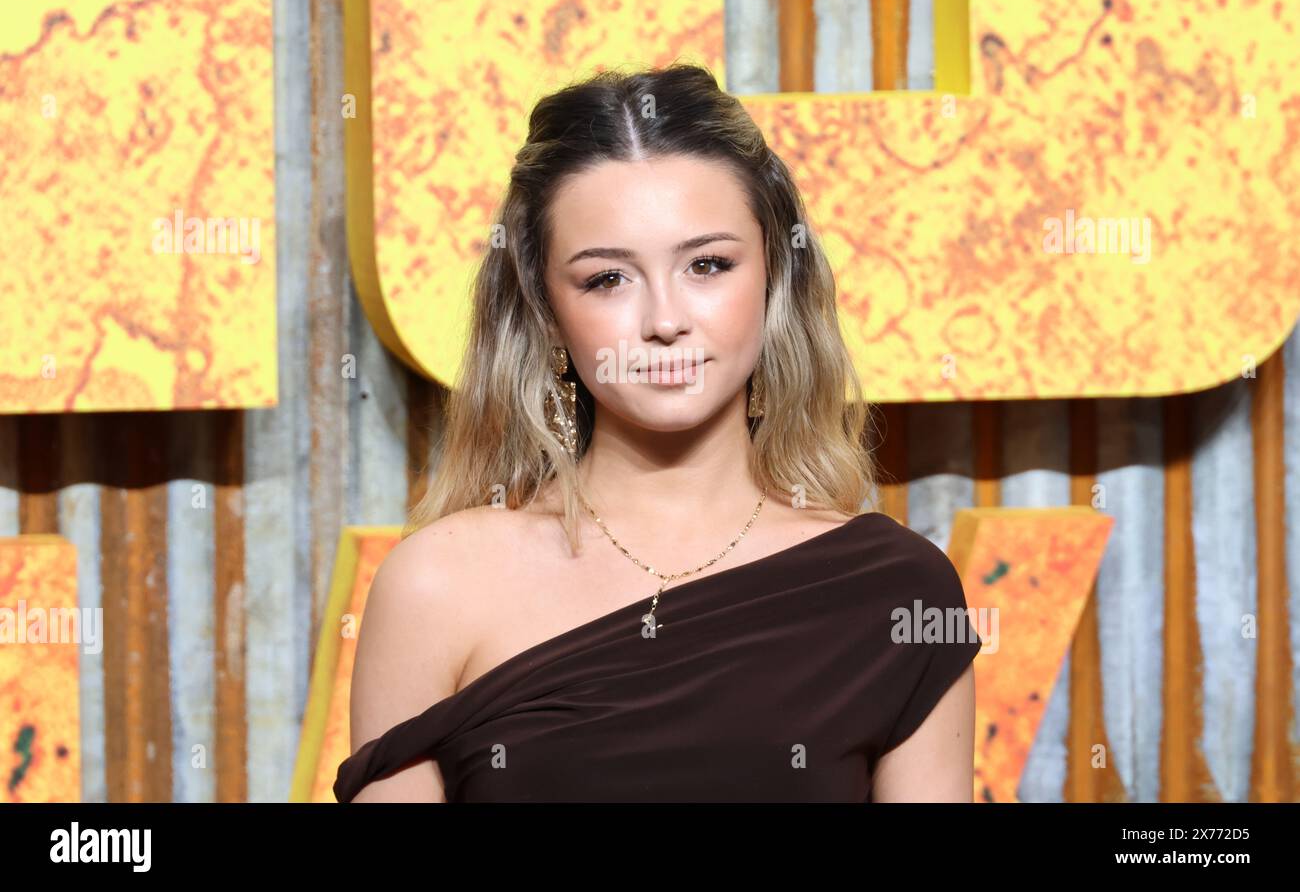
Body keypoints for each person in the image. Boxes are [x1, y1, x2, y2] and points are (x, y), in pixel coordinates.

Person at [334, 61, 981, 802]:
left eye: (708, 265)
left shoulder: (896, 593)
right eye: (607, 278)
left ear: (775, 280)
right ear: (546, 312)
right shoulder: (437, 587)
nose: (666, 321)